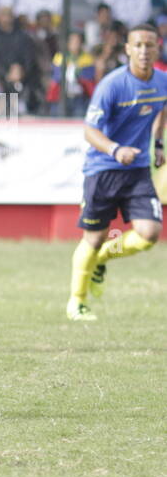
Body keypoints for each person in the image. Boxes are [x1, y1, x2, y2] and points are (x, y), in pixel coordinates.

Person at [67, 24, 167, 322]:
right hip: (103, 170)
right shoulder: (112, 85)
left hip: (136, 170)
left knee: (149, 233)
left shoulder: (162, 81)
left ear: (157, 47)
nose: (144, 51)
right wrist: (115, 150)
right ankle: (77, 302)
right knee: (93, 238)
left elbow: (162, 108)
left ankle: (103, 259)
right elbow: (89, 130)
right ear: (127, 49)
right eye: (137, 45)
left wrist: (158, 143)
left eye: (149, 45)